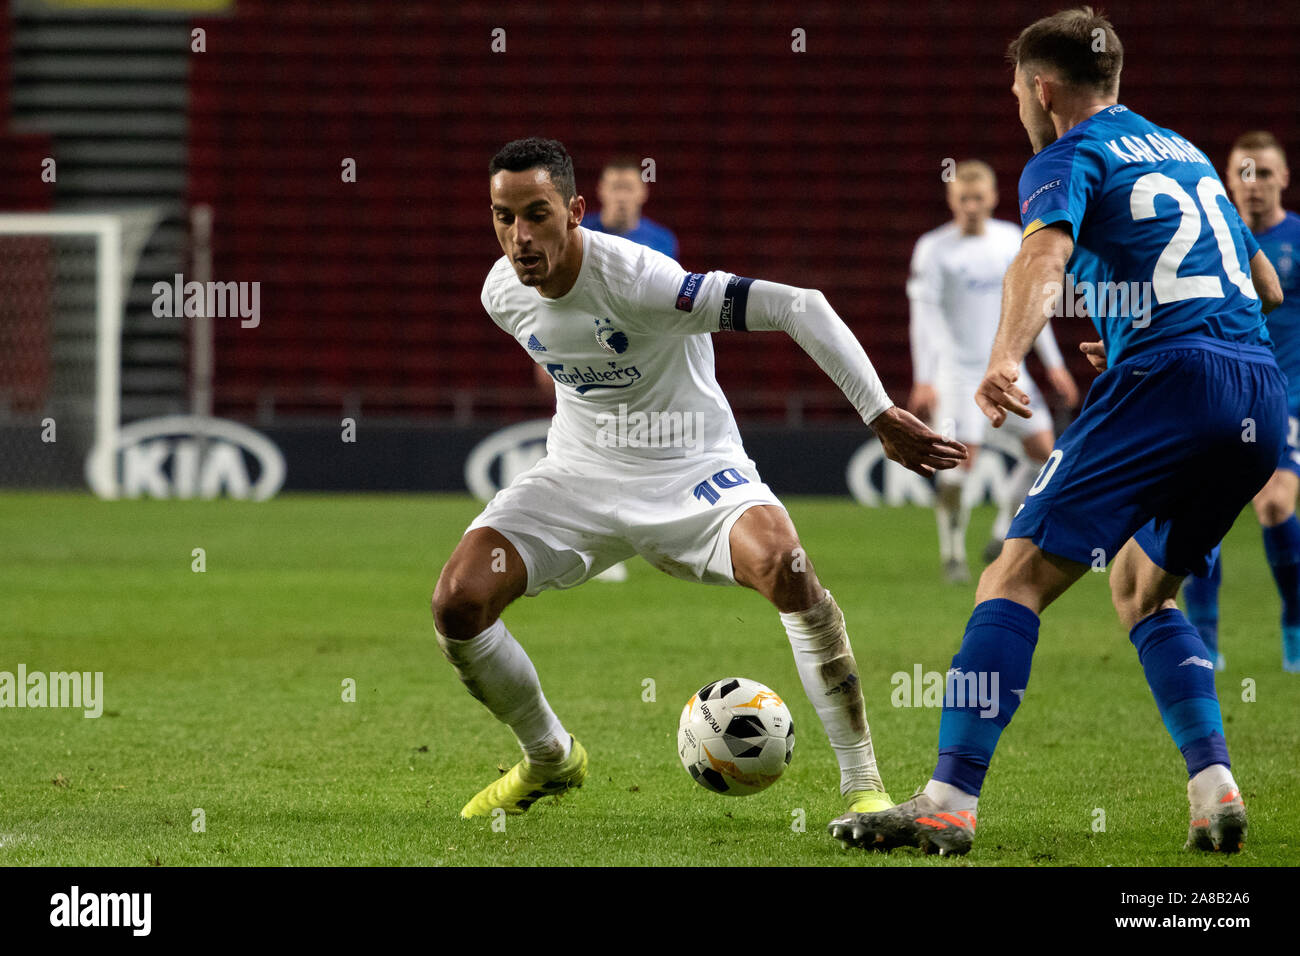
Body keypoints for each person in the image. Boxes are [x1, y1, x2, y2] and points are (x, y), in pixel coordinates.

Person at [830, 6, 1285, 856]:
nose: (1016, 108)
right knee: (1143, 588)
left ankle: (948, 799)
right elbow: (1265, 287)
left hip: (1169, 383)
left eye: (1015, 93)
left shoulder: (1067, 155)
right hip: (1254, 392)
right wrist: (1139, 324)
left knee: (1011, 580)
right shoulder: (1185, 150)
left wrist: (1007, 356)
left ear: (1042, 90)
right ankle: (1214, 786)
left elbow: (1042, 257)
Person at [434, 137, 966, 820]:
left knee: (787, 567)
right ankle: (549, 756)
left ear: (575, 211)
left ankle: (864, 787)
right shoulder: (500, 292)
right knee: (457, 602)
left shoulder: (641, 281)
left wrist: (880, 412)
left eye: (536, 214)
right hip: (578, 476)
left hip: (693, 469)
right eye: (503, 217)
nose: (519, 236)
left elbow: (798, 305)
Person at [908, 160, 1079, 582]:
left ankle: (1003, 530)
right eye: (963, 198)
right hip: (957, 373)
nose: (970, 206)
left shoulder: (1009, 240)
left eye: (978, 198)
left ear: (993, 198)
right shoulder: (934, 248)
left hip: (1006, 368)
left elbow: (1031, 306)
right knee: (958, 470)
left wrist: (1054, 365)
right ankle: (953, 554)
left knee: (1045, 455)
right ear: (951, 200)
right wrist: (924, 377)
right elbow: (923, 317)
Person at [1182, 131, 1300, 672]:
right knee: (1202, 507)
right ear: (1228, 180)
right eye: (1244, 174)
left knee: (1273, 503)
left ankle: (1294, 622)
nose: (1254, 185)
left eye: (1265, 173)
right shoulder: (1205, 239)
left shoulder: (1295, 239)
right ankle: (1204, 641)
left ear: (1284, 178)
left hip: (1287, 394)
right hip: (1219, 392)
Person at [585, 156, 679, 259]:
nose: (621, 197)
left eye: (629, 188)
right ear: (600, 190)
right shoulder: (580, 233)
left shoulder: (662, 241)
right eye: (615, 187)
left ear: (643, 191)